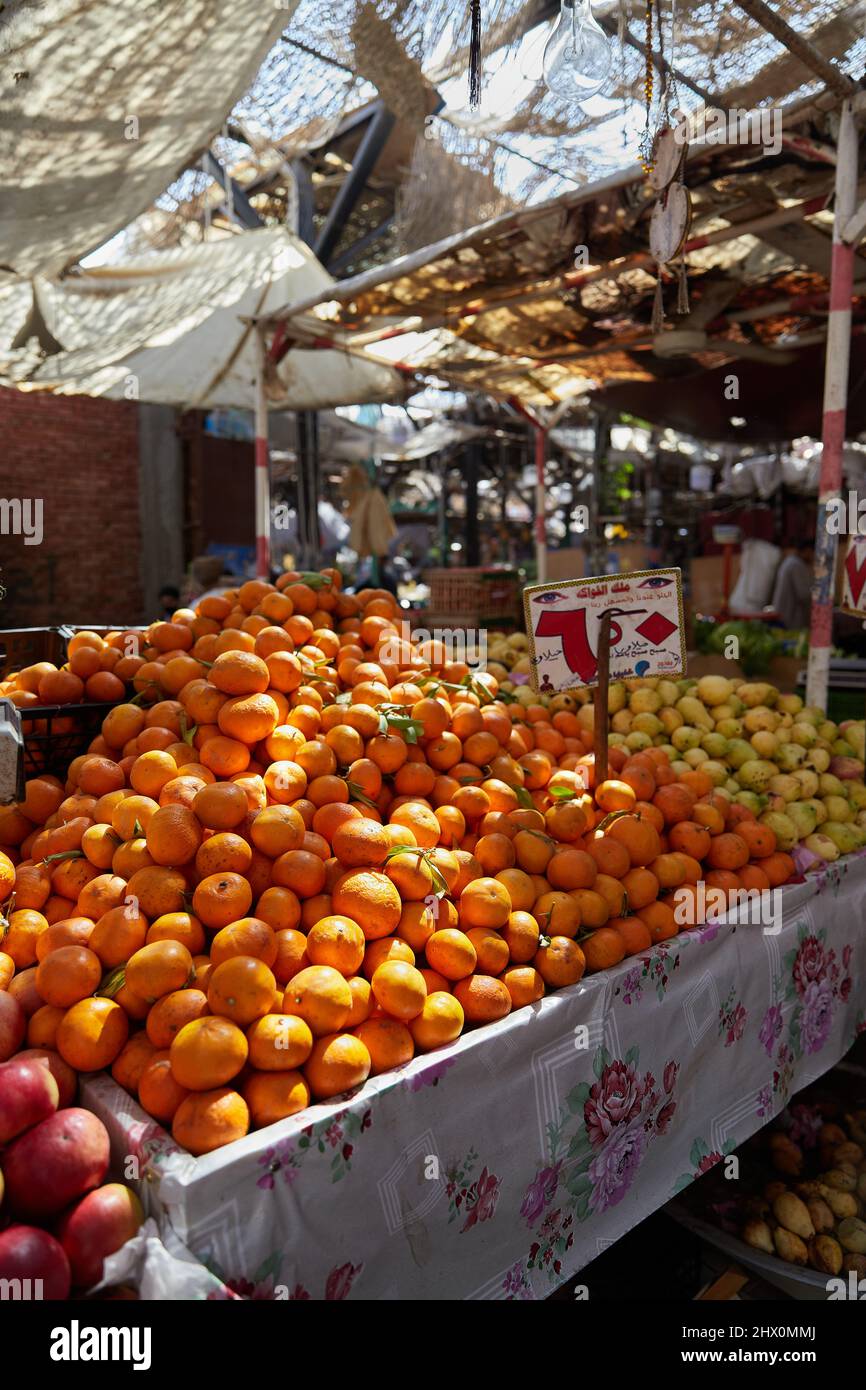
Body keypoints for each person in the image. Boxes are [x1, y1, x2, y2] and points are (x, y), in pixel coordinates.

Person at [770, 540, 814, 629]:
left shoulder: (789, 561)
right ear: (807, 551)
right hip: (789, 616)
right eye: (812, 553)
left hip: (782, 613)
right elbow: (803, 594)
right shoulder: (796, 565)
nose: (813, 556)